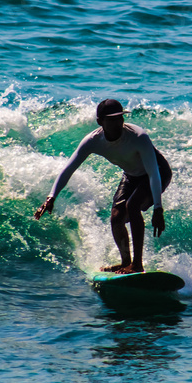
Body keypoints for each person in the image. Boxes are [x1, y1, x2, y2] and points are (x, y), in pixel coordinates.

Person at [34, 98, 172, 274]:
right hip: (131, 175)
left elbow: (153, 173)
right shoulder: (93, 140)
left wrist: (158, 209)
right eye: (111, 119)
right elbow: (69, 169)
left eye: (120, 118)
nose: (117, 123)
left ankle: (137, 265)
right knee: (116, 217)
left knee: (133, 205)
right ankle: (125, 263)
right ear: (100, 121)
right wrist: (51, 196)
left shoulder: (138, 137)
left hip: (158, 172)